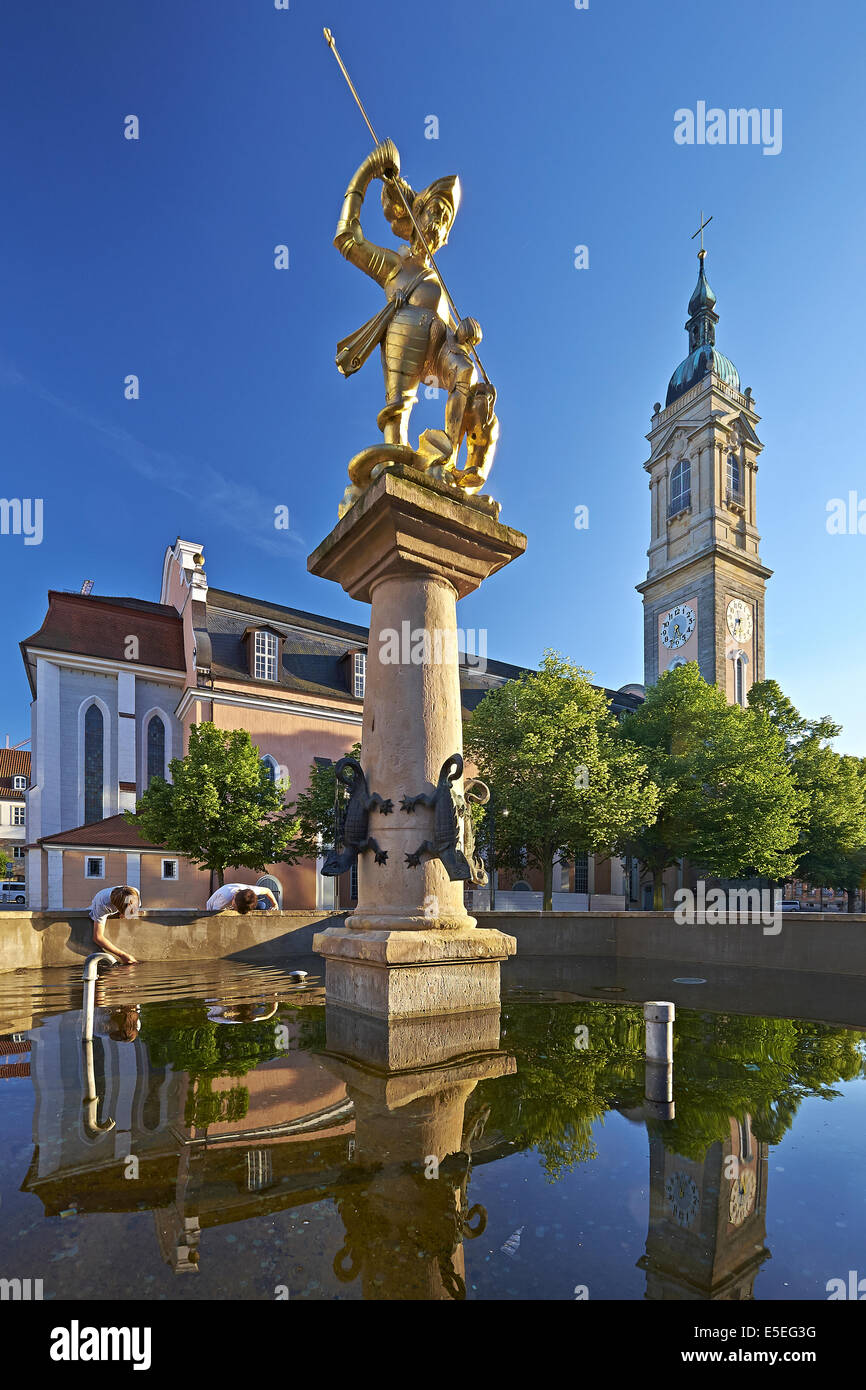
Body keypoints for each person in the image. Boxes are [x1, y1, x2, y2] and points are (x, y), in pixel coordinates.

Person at [89, 885, 141, 964]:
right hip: (102, 902)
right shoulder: (102, 904)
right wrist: (122, 955)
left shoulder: (134, 892)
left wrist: (125, 913)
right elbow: (98, 937)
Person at [205, 883, 279, 914]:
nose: (235, 908)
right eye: (235, 907)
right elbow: (213, 913)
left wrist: (275, 905)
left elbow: (267, 890)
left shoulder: (250, 891)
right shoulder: (224, 898)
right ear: (233, 898)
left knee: (262, 905)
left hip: (233, 902)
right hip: (215, 908)